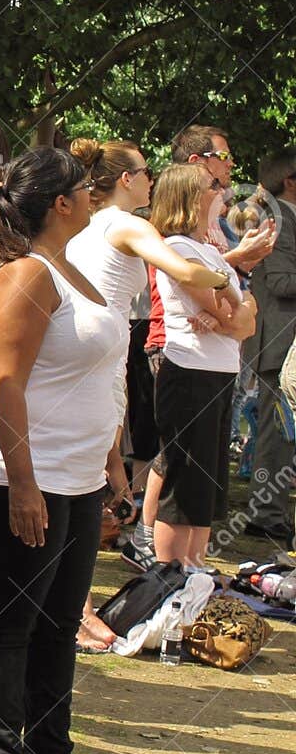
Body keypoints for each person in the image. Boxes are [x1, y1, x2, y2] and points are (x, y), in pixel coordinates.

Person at [0, 147, 129, 754]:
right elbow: (3, 380)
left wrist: (109, 465)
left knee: (58, 626)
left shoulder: (75, 268)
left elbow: (95, 374)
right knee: (9, 624)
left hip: (75, 477)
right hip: (12, 475)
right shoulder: (25, 274)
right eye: (86, 189)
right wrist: (24, 485)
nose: (94, 197)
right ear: (62, 203)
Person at [64, 138, 240, 648]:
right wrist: (229, 277)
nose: (152, 182)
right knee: (83, 482)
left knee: (88, 478)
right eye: (145, 173)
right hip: (98, 355)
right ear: (126, 181)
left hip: (91, 352)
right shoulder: (127, 223)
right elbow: (183, 270)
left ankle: (76, 606)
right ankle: (78, 611)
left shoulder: (86, 223)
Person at [132, 126, 273, 564]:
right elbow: (231, 315)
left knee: (206, 482)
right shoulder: (177, 247)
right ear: (188, 196)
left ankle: (194, 569)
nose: (221, 190)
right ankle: (170, 572)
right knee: (184, 476)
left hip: (216, 370)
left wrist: (236, 308)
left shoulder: (209, 251)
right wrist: (235, 309)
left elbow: (241, 317)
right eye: (211, 186)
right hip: (187, 368)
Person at [243, 148, 296, 542]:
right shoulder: (278, 220)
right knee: (276, 434)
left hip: (283, 343)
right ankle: (265, 513)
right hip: (279, 344)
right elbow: (280, 283)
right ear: (290, 181)